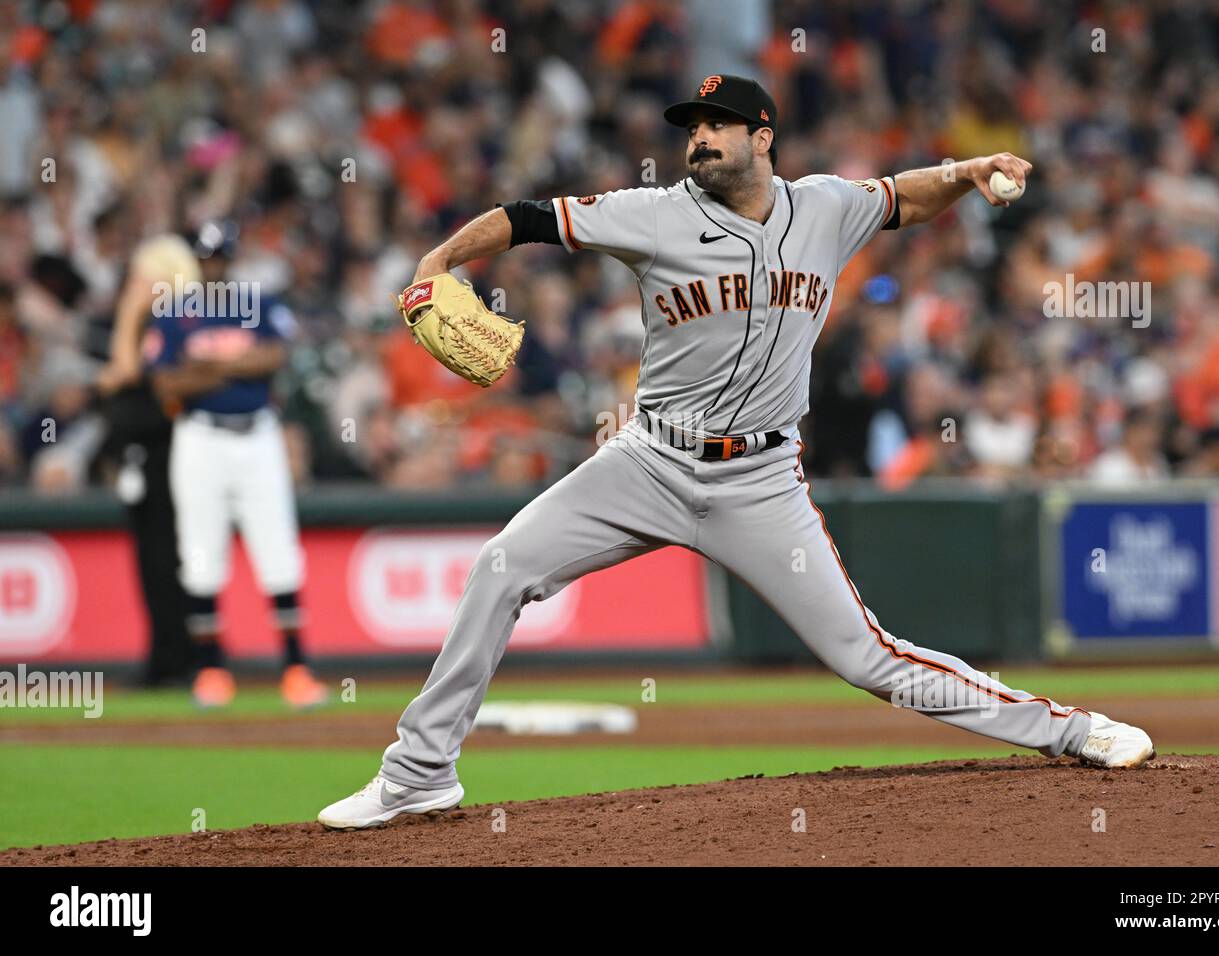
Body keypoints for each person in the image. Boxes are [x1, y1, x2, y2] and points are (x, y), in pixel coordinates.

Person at [319, 74, 1155, 830]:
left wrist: (964, 173)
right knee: (502, 567)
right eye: (693, 127)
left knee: (869, 658)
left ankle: (1072, 730)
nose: (699, 139)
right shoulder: (651, 214)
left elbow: (904, 197)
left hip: (760, 480)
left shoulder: (824, 206)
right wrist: (438, 259)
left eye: (718, 125)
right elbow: (528, 218)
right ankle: (419, 773)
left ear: (763, 138)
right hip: (647, 462)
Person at [146, 222, 327, 709]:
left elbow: (275, 357)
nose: (215, 267)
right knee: (201, 555)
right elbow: (166, 386)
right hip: (200, 437)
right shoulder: (175, 310)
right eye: (207, 259)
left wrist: (207, 368)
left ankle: (295, 670)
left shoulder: (258, 302)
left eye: (220, 258)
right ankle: (211, 672)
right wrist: (235, 366)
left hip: (257, 433)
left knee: (278, 551)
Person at [96, 234, 198, 686]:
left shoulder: (174, 321)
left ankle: (181, 659)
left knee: (168, 559)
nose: (134, 284)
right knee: (158, 561)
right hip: (150, 453)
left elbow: (125, 373)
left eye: (144, 276)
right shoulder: (160, 323)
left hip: (169, 453)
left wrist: (129, 313)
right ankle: (170, 655)